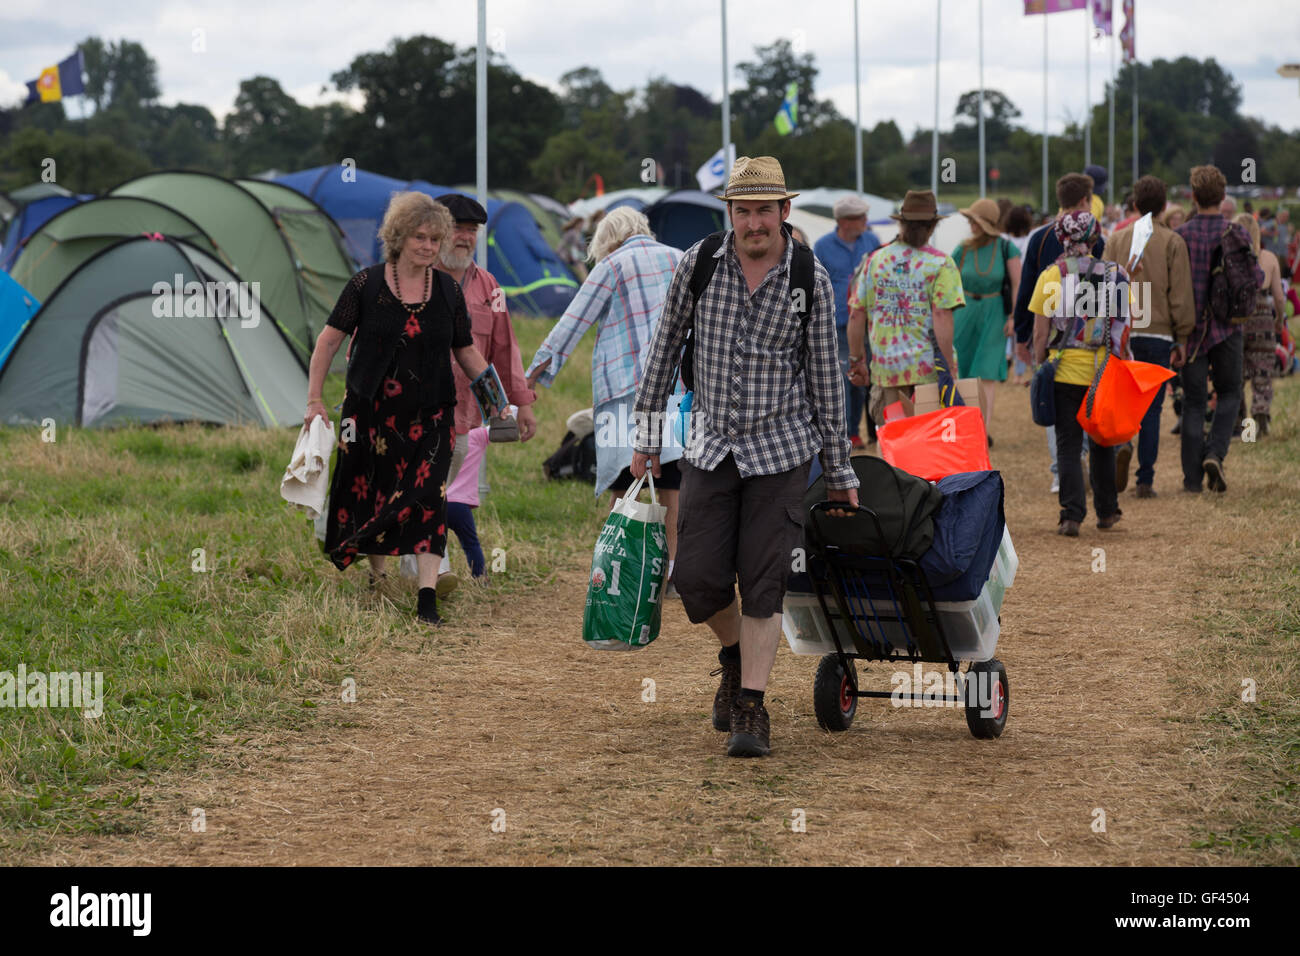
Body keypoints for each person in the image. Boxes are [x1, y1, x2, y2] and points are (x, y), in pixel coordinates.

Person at [629, 156, 859, 759]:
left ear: (785, 211)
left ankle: (751, 708)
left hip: (781, 451)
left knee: (764, 582)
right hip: (708, 445)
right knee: (697, 582)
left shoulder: (810, 277)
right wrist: (648, 436)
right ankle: (732, 655)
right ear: (729, 213)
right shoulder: (699, 263)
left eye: (763, 210)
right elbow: (663, 349)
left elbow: (827, 381)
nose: (753, 222)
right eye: (742, 210)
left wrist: (838, 471)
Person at [307, 193, 498, 626]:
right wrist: (314, 400)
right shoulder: (366, 285)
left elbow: (466, 352)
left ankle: (426, 597)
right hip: (370, 411)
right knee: (374, 492)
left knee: (430, 495)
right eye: (419, 237)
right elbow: (328, 342)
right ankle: (377, 578)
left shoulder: (448, 290)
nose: (428, 246)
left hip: (431, 414)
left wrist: (497, 404)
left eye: (435, 239)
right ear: (398, 237)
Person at [526, 207, 686, 581]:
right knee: (673, 490)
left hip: (624, 391)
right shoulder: (680, 258)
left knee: (623, 482)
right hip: (676, 389)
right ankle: (671, 573)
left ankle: (615, 569)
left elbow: (573, 321)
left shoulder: (612, 265)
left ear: (606, 240)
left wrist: (531, 375)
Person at [433, 193, 538, 592]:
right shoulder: (418, 277)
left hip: (465, 414)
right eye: (457, 228)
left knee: (442, 485)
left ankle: (421, 562)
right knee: (424, 484)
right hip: (418, 408)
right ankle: (435, 569)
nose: (464, 237)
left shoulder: (489, 286)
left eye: (471, 230)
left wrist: (519, 405)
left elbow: (504, 350)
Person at [1030, 211, 1134, 535]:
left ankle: (1071, 515)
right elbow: (1125, 325)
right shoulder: (1117, 275)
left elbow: (1039, 332)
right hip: (1102, 373)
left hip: (1064, 373)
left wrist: (1039, 363)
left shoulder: (1051, 275)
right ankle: (1106, 512)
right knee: (1103, 443)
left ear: (1062, 238)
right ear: (1094, 239)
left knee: (1068, 446)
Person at [1102, 175, 1196, 498]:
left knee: (1124, 403)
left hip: (1123, 332)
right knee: (1154, 409)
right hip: (1158, 333)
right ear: (1164, 205)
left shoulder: (1115, 239)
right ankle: (1145, 479)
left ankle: (1123, 445)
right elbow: (1180, 295)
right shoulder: (1173, 242)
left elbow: (1105, 287)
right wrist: (1182, 337)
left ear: (1135, 204)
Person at [1013, 173, 1106, 493]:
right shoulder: (1094, 236)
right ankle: (1085, 460)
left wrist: (1023, 337)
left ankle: (1060, 472)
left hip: (1051, 335)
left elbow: (1025, 290)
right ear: (1085, 200)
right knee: (1087, 409)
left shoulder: (1039, 237)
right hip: (1089, 340)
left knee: (1056, 410)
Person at [1175, 165, 1261, 494]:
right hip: (1228, 327)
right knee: (1229, 393)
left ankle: (1192, 480)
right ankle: (1215, 453)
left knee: (1194, 402)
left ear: (1193, 196)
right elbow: (1256, 279)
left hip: (1191, 331)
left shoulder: (1180, 235)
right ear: (1224, 196)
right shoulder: (1236, 233)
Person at [847, 190, 964, 422]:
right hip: (929, 370)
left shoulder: (876, 260)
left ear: (901, 224)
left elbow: (856, 315)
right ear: (932, 226)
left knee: (895, 440)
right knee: (929, 438)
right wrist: (949, 365)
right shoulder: (941, 264)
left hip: (887, 368)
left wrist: (856, 360)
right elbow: (941, 316)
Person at [813, 194, 880, 450]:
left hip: (868, 322)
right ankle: (848, 433)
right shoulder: (822, 246)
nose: (865, 221)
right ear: (844, 221)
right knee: (844, 378)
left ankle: (866, 429)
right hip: (837, 322)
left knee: (866, 377)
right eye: (860, 217)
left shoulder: (872, 241)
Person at [951, 197, 1022, 439]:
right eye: (970, 219)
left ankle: (983, 429)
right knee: (965, 370)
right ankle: (966, 426)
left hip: (995, 313)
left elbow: (1017, 284)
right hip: (964, 311)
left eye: (975, 220)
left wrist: (1014, 316)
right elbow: (947, 278)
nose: (971, 224)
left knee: (987, 372)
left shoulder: (1007, 248)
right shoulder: (962, 248)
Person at [1234, 213, 1286, 435]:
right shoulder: (1269, 257)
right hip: (1263, 319)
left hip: (1237, 319)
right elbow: (1279, 297)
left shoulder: (1230, 258)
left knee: (1236, 373)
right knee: (1262, 371)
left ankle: (1241, 423)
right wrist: (1278, 320)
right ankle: (1261, 411)